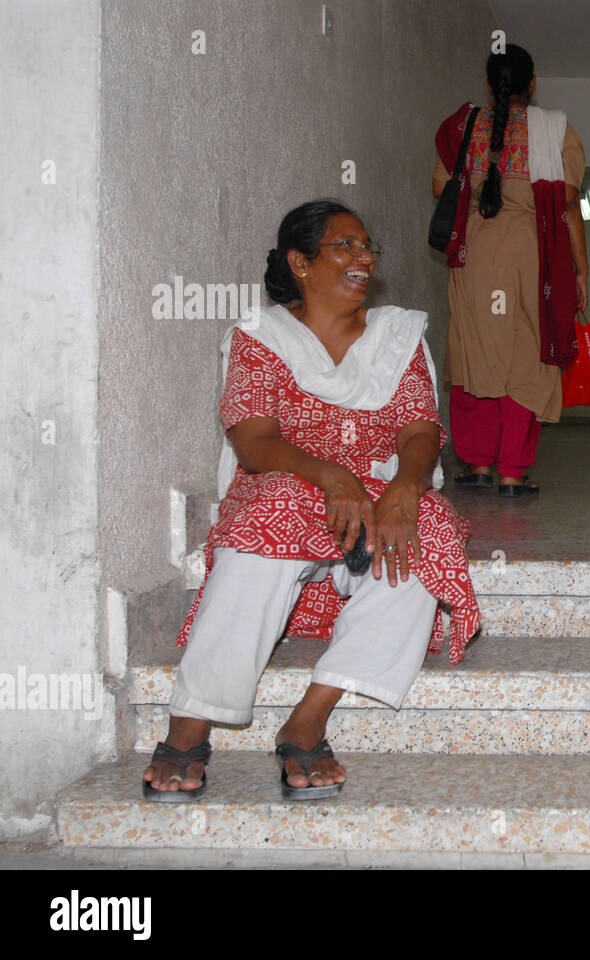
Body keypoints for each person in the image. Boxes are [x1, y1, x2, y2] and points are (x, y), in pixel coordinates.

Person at [142, 199, 480, 801]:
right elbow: (254, 440)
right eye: (345, 246)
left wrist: (406, 485)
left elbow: (419, 430)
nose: (364, 258)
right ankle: (191, 720)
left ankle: (310, 716)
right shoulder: (261, 337)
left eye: (367, 246)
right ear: (300, 263)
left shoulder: (395, 337)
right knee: (271, 507)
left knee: (425, 529)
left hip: (377, 495)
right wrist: (329, 476)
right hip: (295, 482)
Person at [433, 43, 588, 498]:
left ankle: (478, 465)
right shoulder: (556, 129)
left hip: (475, 254)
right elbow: (568, 205)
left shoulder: (462, 126)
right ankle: (512, 474)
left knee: (473, 351)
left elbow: (441, 186)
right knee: (527, 355)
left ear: (487, 84)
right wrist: (580, 270)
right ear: (533, 84)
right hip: (533, 254)